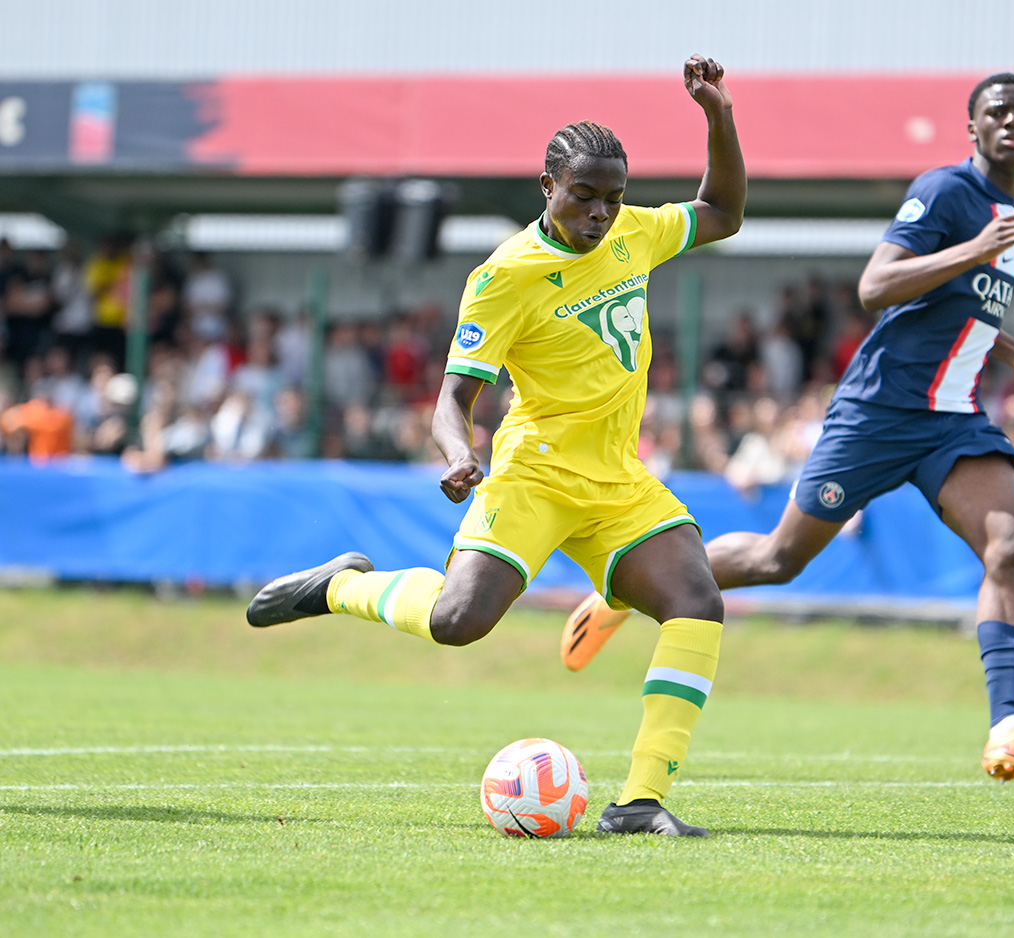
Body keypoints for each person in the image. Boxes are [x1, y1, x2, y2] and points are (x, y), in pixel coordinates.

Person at [246, 54, 745, 836]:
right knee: (458, 621)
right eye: (584, 195)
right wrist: (456, 453)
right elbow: (453, 397)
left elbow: (722, 211)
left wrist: (716, 114)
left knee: (697, 600)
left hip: (618, 480)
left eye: (612, 198)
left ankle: (641, 802)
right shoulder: (503, 276)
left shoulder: (636, 233)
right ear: (546, 187)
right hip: (535, 473)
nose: (601, 213)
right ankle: (342, 585)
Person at [562, 71, 1014, 783]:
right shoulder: (948, 193)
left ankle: (1011, 728)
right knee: (778, 560)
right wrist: (977, 247)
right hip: (879, 410)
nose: (1010, 121)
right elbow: (878, 287)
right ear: (971, 128)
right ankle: (623, 588)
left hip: (952, 420)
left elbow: (954, 306)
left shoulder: (1009, 217)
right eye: (995, 111)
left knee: (1012, 545)